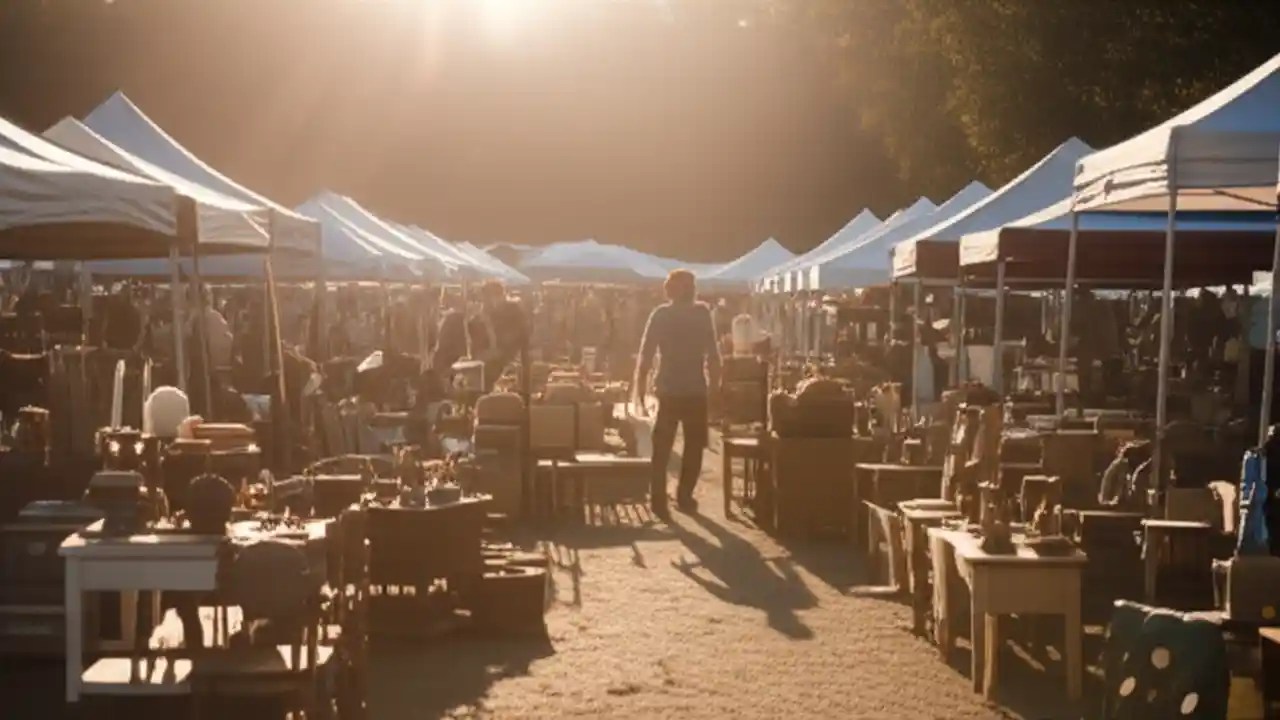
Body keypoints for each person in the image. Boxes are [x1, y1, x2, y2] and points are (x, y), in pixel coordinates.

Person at [636, 269, 722, 516]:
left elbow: (646, 354)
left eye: (670, 284)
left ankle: (659, 499)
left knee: (661, 447)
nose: (666, 287)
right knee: (694, 446)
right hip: (694, 390)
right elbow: (713, 355)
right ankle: (684, 496)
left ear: (677, 289)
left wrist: (640, 387)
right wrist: (715, 387)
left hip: (669, 390)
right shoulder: (702, 314)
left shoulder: (661, 315)